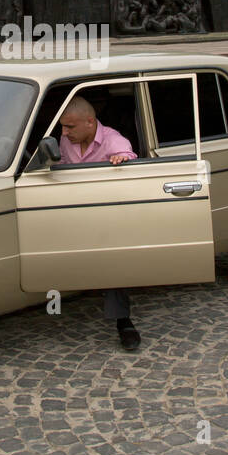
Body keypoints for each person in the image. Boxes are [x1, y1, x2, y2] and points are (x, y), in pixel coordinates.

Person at [56, 96, 142, 351]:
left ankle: (123, 321)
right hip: (74, 212)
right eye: (63, 126)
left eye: (70, 126)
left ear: (90, 122)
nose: (64, 132)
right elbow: (59, 167)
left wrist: (123, 161)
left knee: (112, 256)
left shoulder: (114, 141)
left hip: (107, 216)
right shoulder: (66, 140)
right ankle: (51, 304)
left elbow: (128, 157)